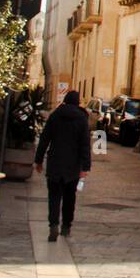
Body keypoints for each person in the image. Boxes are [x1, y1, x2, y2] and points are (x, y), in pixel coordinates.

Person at [35, 90, 91, 241]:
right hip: (73, 166)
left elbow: (44, 139)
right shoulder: (82, 119)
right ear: (78, 102)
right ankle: (66, 226)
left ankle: (53, 224)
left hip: (55, 162)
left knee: (54, 196)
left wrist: (38, 160)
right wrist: (85, 167)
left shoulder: (55, 116)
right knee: (69, 197)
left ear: (65, 100)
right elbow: (85, 144)